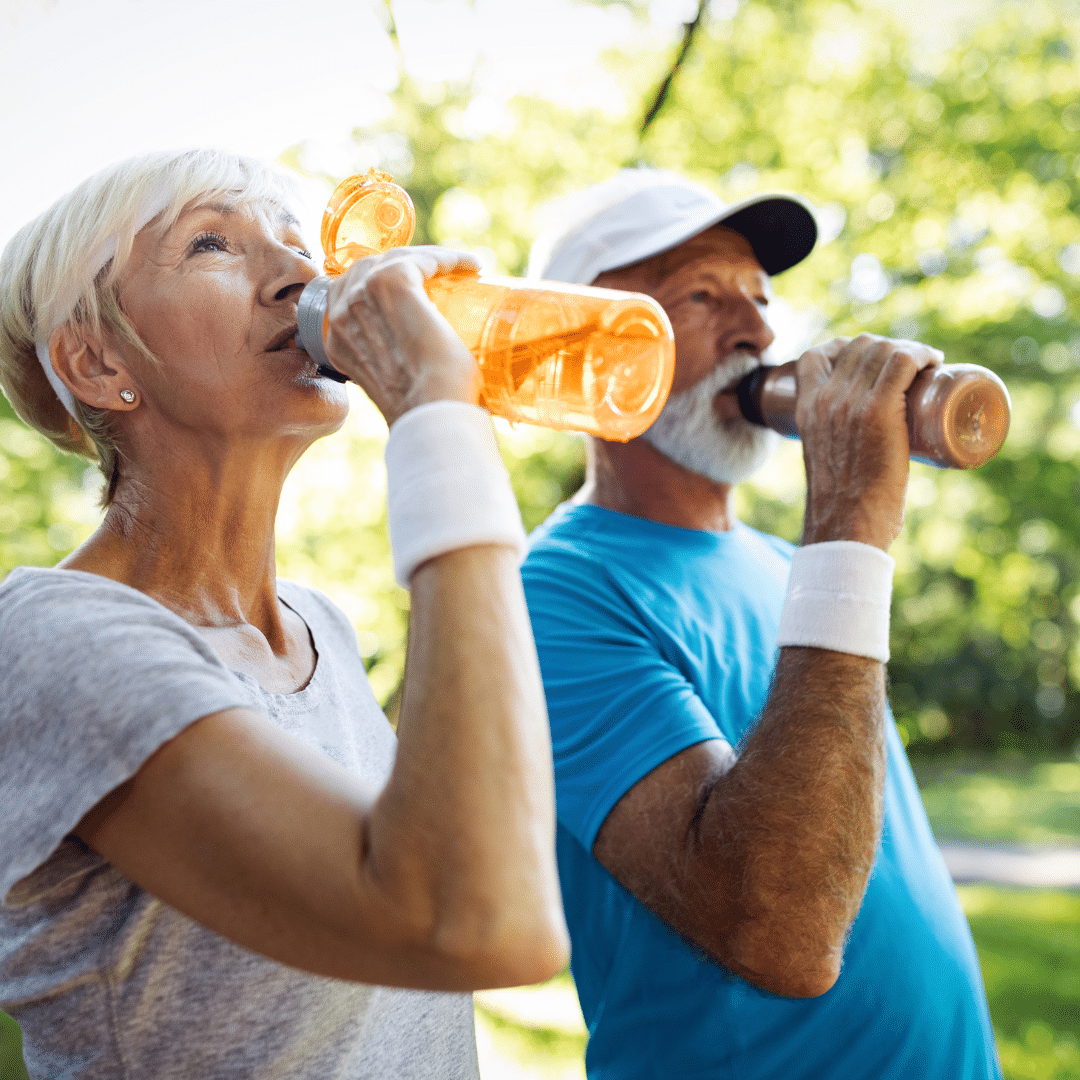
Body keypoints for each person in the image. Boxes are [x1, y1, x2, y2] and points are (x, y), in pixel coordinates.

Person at [0, 148, 568, 1079]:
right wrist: (437, 415)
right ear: (98, 362)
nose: (302, 277)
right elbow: (480, 918)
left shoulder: (319, 629)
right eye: (213, 243)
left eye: (301, 247)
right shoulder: (53, 641)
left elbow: (462, 842)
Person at [521, 169, 1001, 1079]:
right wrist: (852, 519)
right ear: (579, 349)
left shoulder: (793, 568)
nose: (759, 332)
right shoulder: (554, 592)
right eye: (701, 295)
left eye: (760, 296)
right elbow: (782, 931)